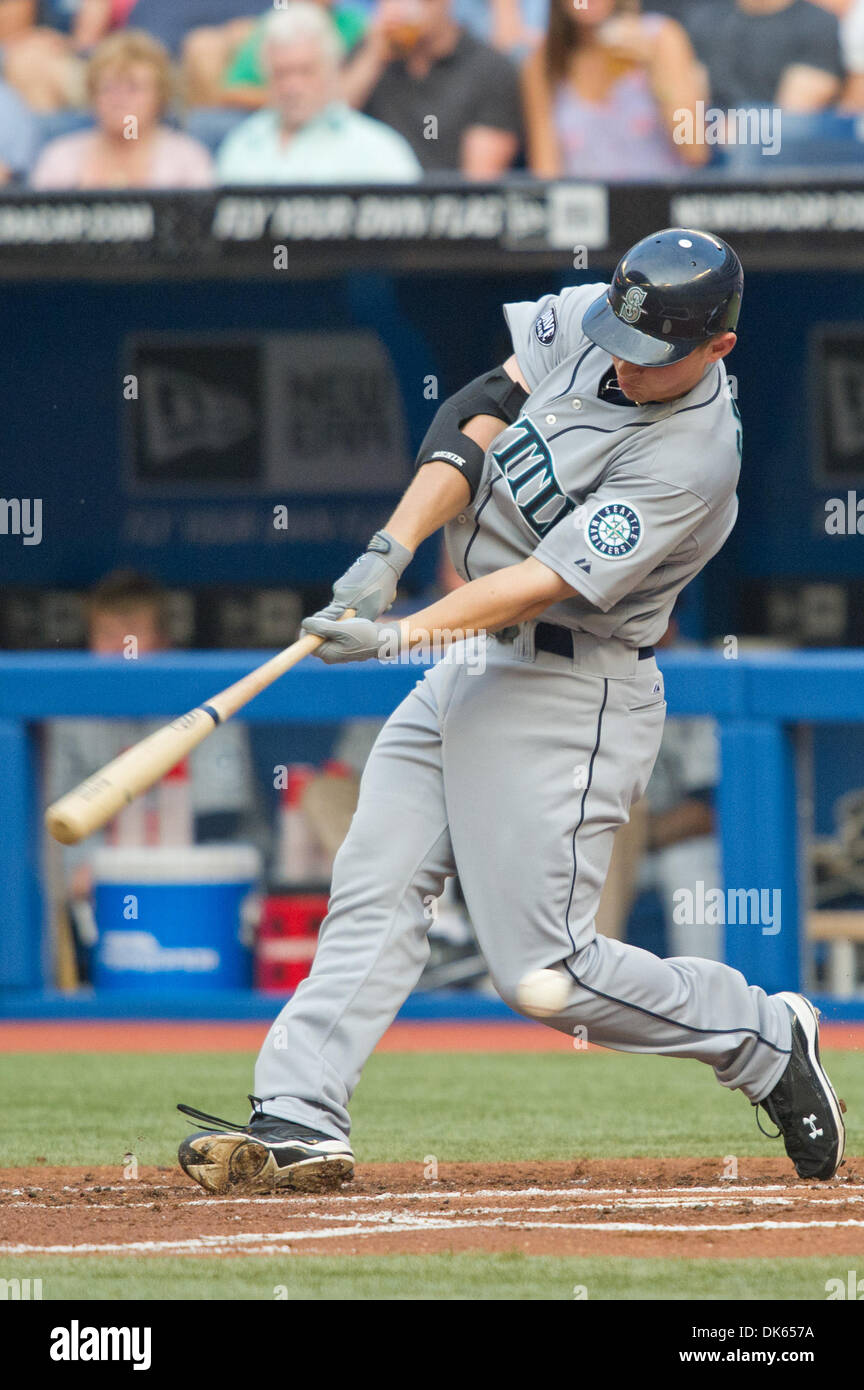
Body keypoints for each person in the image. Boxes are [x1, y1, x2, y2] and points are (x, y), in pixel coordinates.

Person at [178, 228, 846, 1196]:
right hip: (474, 660)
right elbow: (482, 406)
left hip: (571, 690)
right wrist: (390, 546)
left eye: (654, 350)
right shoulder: (600, 317)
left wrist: (406, 634)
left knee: (546, 975)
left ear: (719, 349)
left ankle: (764, 1034)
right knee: (376, 881)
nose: (625, 354)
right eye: (622, 330)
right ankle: (301, 1112)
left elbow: (537, 583)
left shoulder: (693, 459)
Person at [46, 570, 260, 913]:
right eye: (106, 635)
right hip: (105, 885)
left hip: (207, 876)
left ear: (163, 641)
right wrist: (95, 866)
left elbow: (220, 812)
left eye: (132, 635)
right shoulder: (74, 711)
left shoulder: (208, 699)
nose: (118, 649)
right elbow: (62, 816)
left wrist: (127, 853)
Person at [216, 5, 422, 185]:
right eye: (282, 73)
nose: (292, 86)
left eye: (305, 71)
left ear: (332, 70)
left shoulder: (378, 151)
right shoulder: (242, 146)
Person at [522, 0, 709, 179]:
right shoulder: (544, 61)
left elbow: (695, 151)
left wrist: (656, 70)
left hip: (658, 202)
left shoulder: (660, 37)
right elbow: (546, 171)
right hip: (586, 206)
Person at [341, 0, 522, 176]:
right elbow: (330, 124)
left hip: (449, 201)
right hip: (376, 199)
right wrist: (374, 53)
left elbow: (480, 183)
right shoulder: (370, 56)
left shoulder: (489, 69)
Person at [30, 30, 214, 189]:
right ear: (92, 95)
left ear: (160, 97)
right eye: (108, 88)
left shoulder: (187, 160)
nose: (119, 100)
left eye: (133, 88)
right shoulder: (61, 158)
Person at [683, 0, 844, 113]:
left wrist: (744, 131)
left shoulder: (818, 24)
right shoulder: (703, 18)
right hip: (709, 141)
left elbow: (793, 115)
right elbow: (689, 101)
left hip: (779, 150)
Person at [218, 0, 368, 111]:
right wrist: (289, 98)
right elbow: (231, 91)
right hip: (270, 121)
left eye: (305, 71)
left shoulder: (355, 24)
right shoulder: (274, 27)